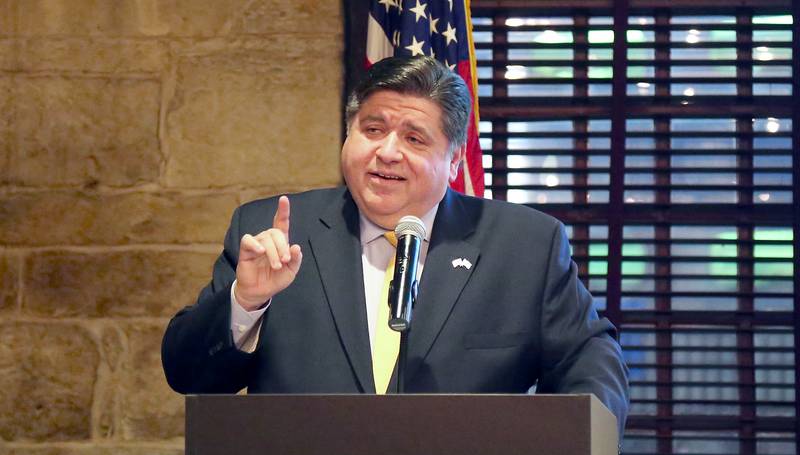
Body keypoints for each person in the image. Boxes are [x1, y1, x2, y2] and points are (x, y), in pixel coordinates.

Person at [161, 55, 629, 435]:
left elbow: (589, 358)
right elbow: (188, 374)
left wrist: (565, 446)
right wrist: (247, 301)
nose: (387, 152)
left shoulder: (523, 246)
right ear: (349, 136)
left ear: (453, 160)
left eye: (414, 138)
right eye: (373, 129)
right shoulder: (274, 230)